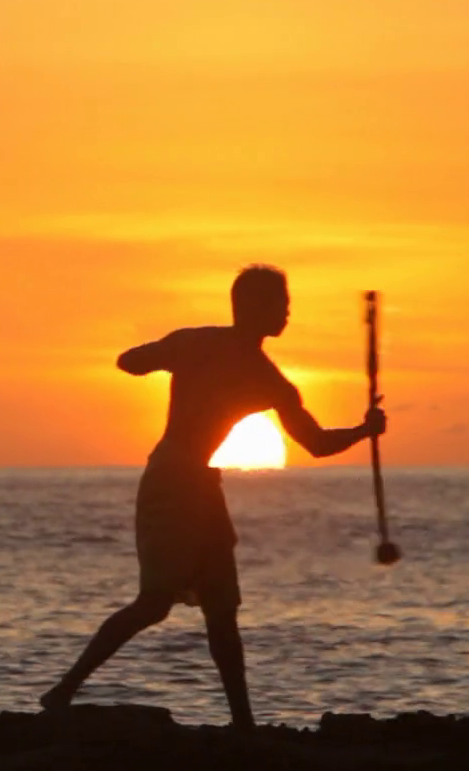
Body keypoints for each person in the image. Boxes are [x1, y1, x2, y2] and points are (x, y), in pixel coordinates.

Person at [39, 265, 386, 730]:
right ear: (251, 308)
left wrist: (363, 430)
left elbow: (317, 444)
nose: (287, 312)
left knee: (222, 607)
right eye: (279, 304)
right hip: (171, 480)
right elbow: (130, 362)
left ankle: (243, 722)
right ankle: (63, 690)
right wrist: (165, 353)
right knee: (155, 602)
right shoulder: (217, 353)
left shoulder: (260, 375)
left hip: (200, 484)